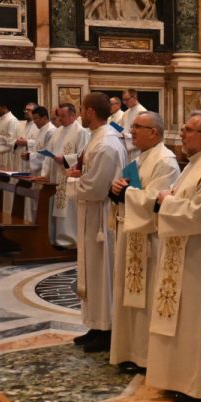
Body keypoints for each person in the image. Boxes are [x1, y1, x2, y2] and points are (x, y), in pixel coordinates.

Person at [147, 112, 201, 398]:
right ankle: (177, 378)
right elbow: (178, 197)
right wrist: (168, 198)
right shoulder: (195, 165)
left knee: (196, 322)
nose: (181, 133)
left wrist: (166, 201)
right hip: (182, 255)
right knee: (180, 320)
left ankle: (198, 385)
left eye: (187, 129)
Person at [107, 111, 180, 375]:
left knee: (146, 300)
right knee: (129, 297)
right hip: (132, 233)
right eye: (133, 126)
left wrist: (127, 193)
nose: (133, 131)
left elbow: (157, 201)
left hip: (150, 239)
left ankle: (145, 355)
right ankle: (128, 350)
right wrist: (116, 191)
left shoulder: (166, 161)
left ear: (155, 133)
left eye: (139, 127)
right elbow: (134, 191)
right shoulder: (140, 157)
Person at [68, 93, 127, 352]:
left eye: (82, 109)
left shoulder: (107, 143)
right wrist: (80, 174)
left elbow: (95, 188)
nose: (81, 113)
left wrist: (72, 181)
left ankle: (108, 328)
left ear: (91, 112)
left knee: (102, 270)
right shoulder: (98, 139)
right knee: (92, 270)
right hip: (92, 215)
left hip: (103, 218)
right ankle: (95, 324)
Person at [46, 103, 89, 249]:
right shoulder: (58, 132)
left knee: (68, 208)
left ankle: (70, 240)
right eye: (59, 116)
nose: (60, 119)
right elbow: (50, 150)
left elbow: (83, 155)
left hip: (69, 175)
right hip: (57, 174)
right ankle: (57, 238)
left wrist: (64, 159)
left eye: (63, 116)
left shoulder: (81, 131)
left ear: (73, 114)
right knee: (57, 207)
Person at [20, 105, 54, 223]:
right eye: (33, 119)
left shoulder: (50, 131)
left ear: (44, 117)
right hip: (37, 170)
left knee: (42, 204)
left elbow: (48, 154)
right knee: (36, 202)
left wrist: (31, 156)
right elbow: (38, 150)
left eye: (36, 119)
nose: (34, 122)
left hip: (44, 171)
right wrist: (29, 155)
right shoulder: (42, 130)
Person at [120, 89, 147, 161]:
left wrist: (126, 136)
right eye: (123, 100)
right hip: (125, 148)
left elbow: (143, 134)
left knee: (136, 171)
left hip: (137, 151)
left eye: (127, 99)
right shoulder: (125, 113)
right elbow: (123, 128)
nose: (125, 102)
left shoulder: (142, 112)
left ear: (134, 97)